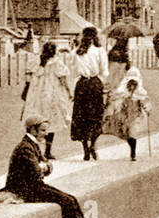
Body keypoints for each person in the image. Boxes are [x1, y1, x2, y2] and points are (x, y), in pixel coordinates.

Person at [0, 116, 98, 218]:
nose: (46, 134)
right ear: (33, 130)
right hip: (24, 189)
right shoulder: (25, 147)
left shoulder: (31, 144)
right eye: (43, 130)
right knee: (67, 201)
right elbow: (38, 169)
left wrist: (43, 167)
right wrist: (44, 167)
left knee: (71, 199)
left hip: (32, 185)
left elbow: (44, 167)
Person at [22, 42, 73, 159]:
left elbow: (28, 77)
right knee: (50, 123)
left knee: (35, 121)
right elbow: (63, 79)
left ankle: (35, 149)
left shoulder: (35, 61)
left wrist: (26, 90)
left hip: (36, 94)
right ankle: (48, 151)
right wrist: (68, 91)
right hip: (51, 95)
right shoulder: (57, 63)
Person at [70, 27, 109, 161]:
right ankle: (93, 144)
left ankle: (85, 149)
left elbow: (73, 71)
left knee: (81, 117)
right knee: (96, 116)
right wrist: (103, 83)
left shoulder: (76, 52)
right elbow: (104, 71)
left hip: (81, 86)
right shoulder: (99, 51)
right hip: (94, 84)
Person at [103, 66, 151, 161]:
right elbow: (145, 101)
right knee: (130, 133)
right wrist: (147, 109)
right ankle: (133, 152)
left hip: (130, 114)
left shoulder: (125, 89)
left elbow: (116, 99)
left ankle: (133, 153)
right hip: (129, 114)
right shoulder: (138, 90)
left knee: (130, 132)